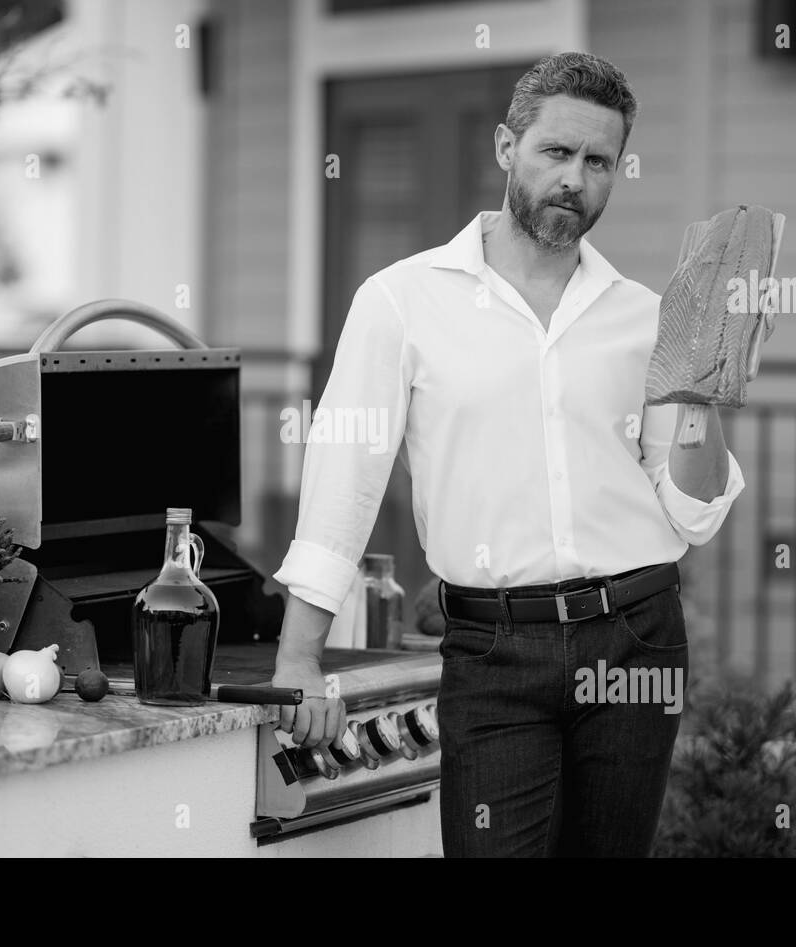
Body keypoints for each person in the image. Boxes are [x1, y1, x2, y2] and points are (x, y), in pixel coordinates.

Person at [269, 52, 746, 857]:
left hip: (638, 638)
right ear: (505, 148)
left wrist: (701, 392)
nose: (575, 179)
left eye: (599, 161)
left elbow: (692, 513)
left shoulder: (647, 317)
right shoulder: (401, 302)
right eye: (556, 152)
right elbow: (343, 482)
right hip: (493, 651)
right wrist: (298, 653)